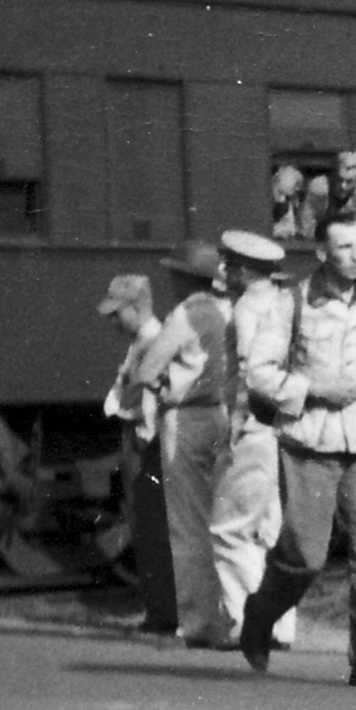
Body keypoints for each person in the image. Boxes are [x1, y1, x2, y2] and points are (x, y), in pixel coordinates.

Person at [235, 214, 356, 685]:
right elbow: (258, 372)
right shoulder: (292, 304)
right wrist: (314, 387)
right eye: (344, 247)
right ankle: (260, 615)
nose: (355, 255)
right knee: (305, 554)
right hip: (310, 440)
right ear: (322, 253)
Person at [135, 240, 235, 646]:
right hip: (222, 415)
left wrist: (167, 388)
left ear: (183, 277)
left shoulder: (185, 314)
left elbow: (148, 369)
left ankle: (197, 622)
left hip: (186, 417)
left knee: (188, 526)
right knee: (223, 521)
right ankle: (230, 613)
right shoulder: (226, 311)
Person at [211, 230, 298, 653]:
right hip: (283, 427)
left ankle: (250, 622)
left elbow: (248, 369)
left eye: (229, 265)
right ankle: (279, 625)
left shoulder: (246, 306)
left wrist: (237, 423)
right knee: (268, 528)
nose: (224, 272)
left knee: (228, 530)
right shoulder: (284, 301)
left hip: (253, 426)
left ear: (244, 270)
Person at [97, 273, 179, 634]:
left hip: (143, 442)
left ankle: (163, 613)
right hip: (138, 439)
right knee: (147, 527)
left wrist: (143, 441)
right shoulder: (142, 341)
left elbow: (149, 400)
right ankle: (159, 610)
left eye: (117, 313)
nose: (111, 320)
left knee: (151, 526)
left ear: (137, 307)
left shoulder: (152, 342)